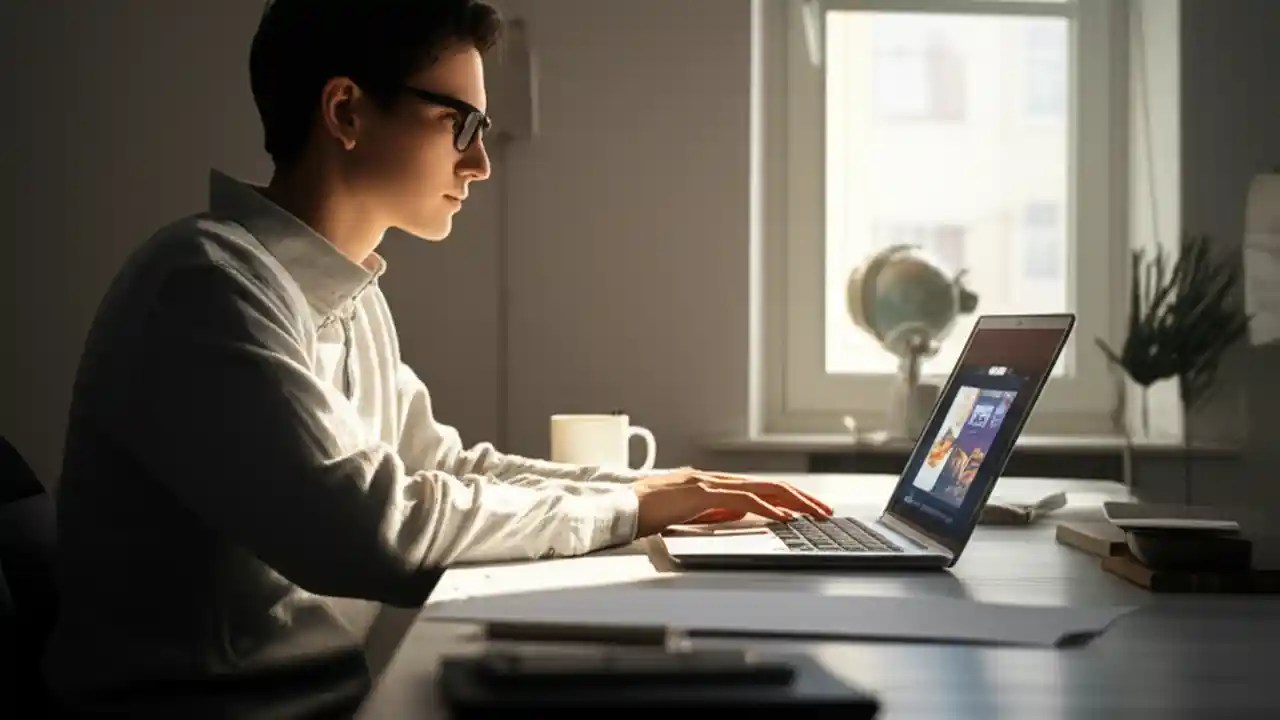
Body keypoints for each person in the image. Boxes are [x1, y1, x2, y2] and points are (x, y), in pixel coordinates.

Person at [42, 0, 833, 716]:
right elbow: (371, 529)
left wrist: (644, 486)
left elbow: (443, 468)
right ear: (346, 111)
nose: (481, 162)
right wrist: (629, 511)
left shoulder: (347, 299)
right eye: (461, 123)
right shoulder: (206, 286)